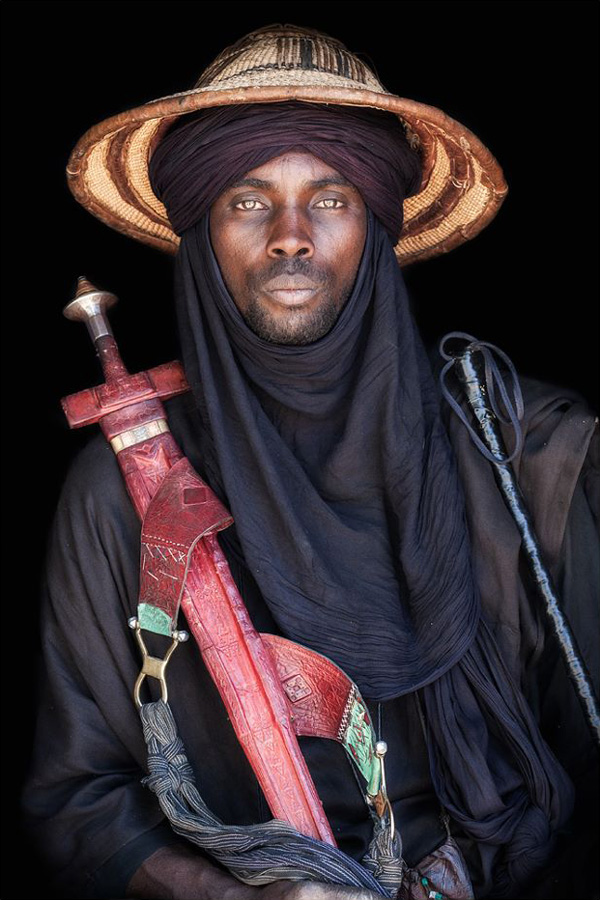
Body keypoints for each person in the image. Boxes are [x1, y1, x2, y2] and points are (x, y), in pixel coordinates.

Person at [22, 23, 598, 900]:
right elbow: (77, 800)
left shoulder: (523, 455)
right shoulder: (123, 494)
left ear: (375, 225)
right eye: (247, 201)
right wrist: (242, 896)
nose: (290, 236)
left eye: (329, 198)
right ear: (201, 235)